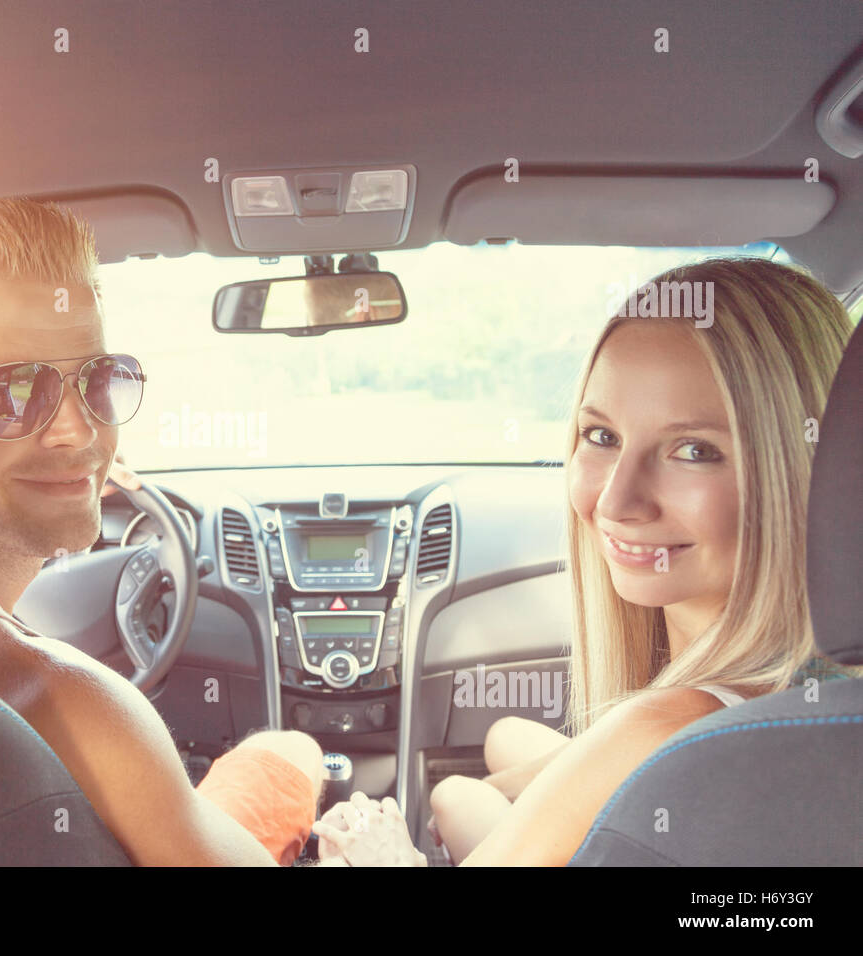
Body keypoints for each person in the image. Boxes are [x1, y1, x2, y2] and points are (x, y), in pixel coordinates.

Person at [314, 257, 857, 866]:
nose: (616, 501)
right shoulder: (826, 701)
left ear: (804, 466)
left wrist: (379, 850)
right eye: (601, 436)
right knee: (494, 756)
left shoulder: (663, 728)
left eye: (694, 450)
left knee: (454, 799)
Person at [0, 197, 323, 866]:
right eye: (15, 394)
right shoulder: (65, 700)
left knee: (285, 751)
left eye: (97, 380)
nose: (79, 431)